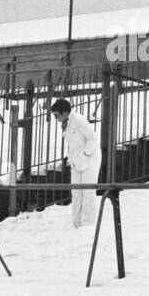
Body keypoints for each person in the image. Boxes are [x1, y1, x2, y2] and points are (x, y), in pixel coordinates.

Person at [50, 97, 100, 228]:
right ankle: (77, 223)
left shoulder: (78, 120)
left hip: (89, 162)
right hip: (76, 163)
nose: (56, 118)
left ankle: (88, 224)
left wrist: (85, 154)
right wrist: (73, 159)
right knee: (76, 193)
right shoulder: (66, 123)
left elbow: (93, 138)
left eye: (56, 115)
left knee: (88, 193)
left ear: (65, 113)